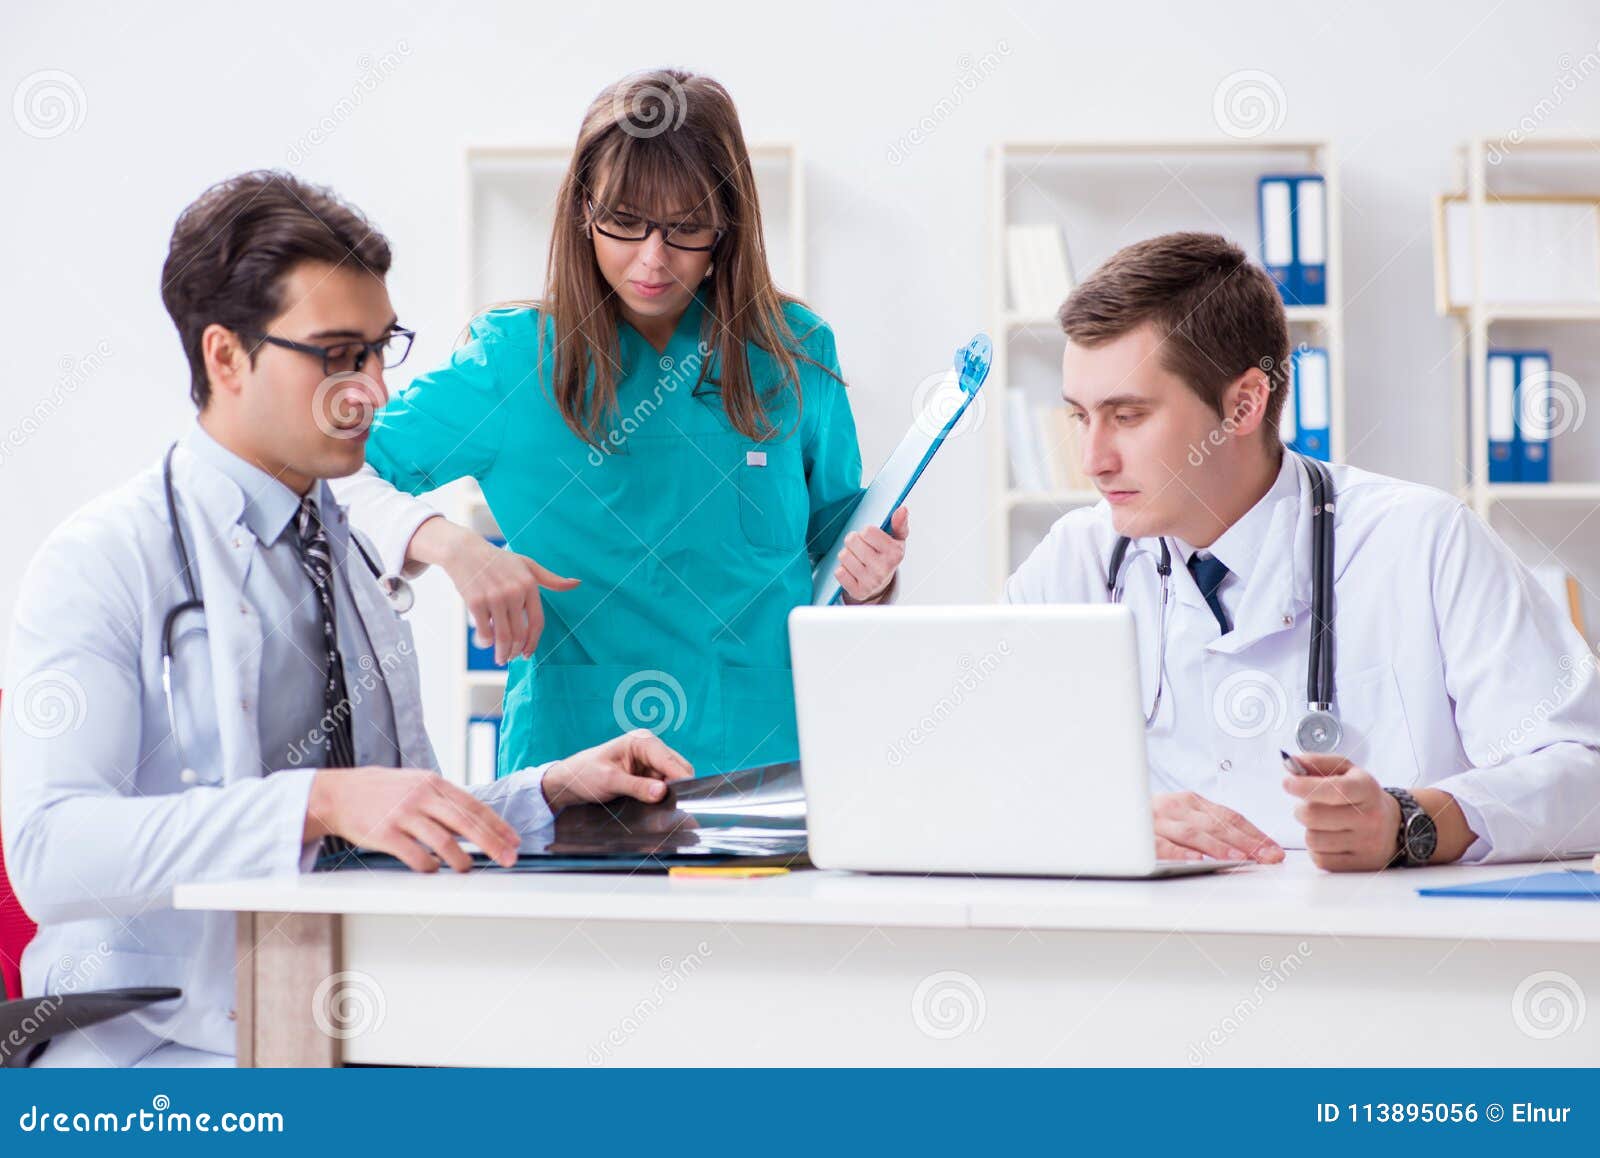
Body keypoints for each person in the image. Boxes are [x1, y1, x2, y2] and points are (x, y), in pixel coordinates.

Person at [1, 171, 692, 1067]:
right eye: (334, 355)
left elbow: (382, 822)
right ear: (224, 357)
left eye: (378, 350)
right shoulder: (103, 557)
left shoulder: (347, 549)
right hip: (149, 1043)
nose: (369, 389)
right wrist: (318, 802)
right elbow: (50, 854)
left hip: (333, 1017)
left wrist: (548, 791)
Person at [334, 69, 906, 780]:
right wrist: (450, 543)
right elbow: (331, 479)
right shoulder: (515, 362)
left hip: (771, 771)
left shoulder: (794, 351)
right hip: (575, 779)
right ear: (581, 209)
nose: (653, 258)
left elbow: (836, 566)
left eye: (687, 227)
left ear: (728, 224)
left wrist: (872, 582)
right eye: (626, 223)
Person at [1004, 231, 1600, 871]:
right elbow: (970, 769)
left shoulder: (1424, 540)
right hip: (1151, 955)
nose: (1093, 460)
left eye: (1126, 416)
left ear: (1242, 405)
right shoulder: (1076, 560)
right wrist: (1100, 822)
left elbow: (1582, 772)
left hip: (1384, 954)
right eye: (1079, 417)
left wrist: (1410, 821)